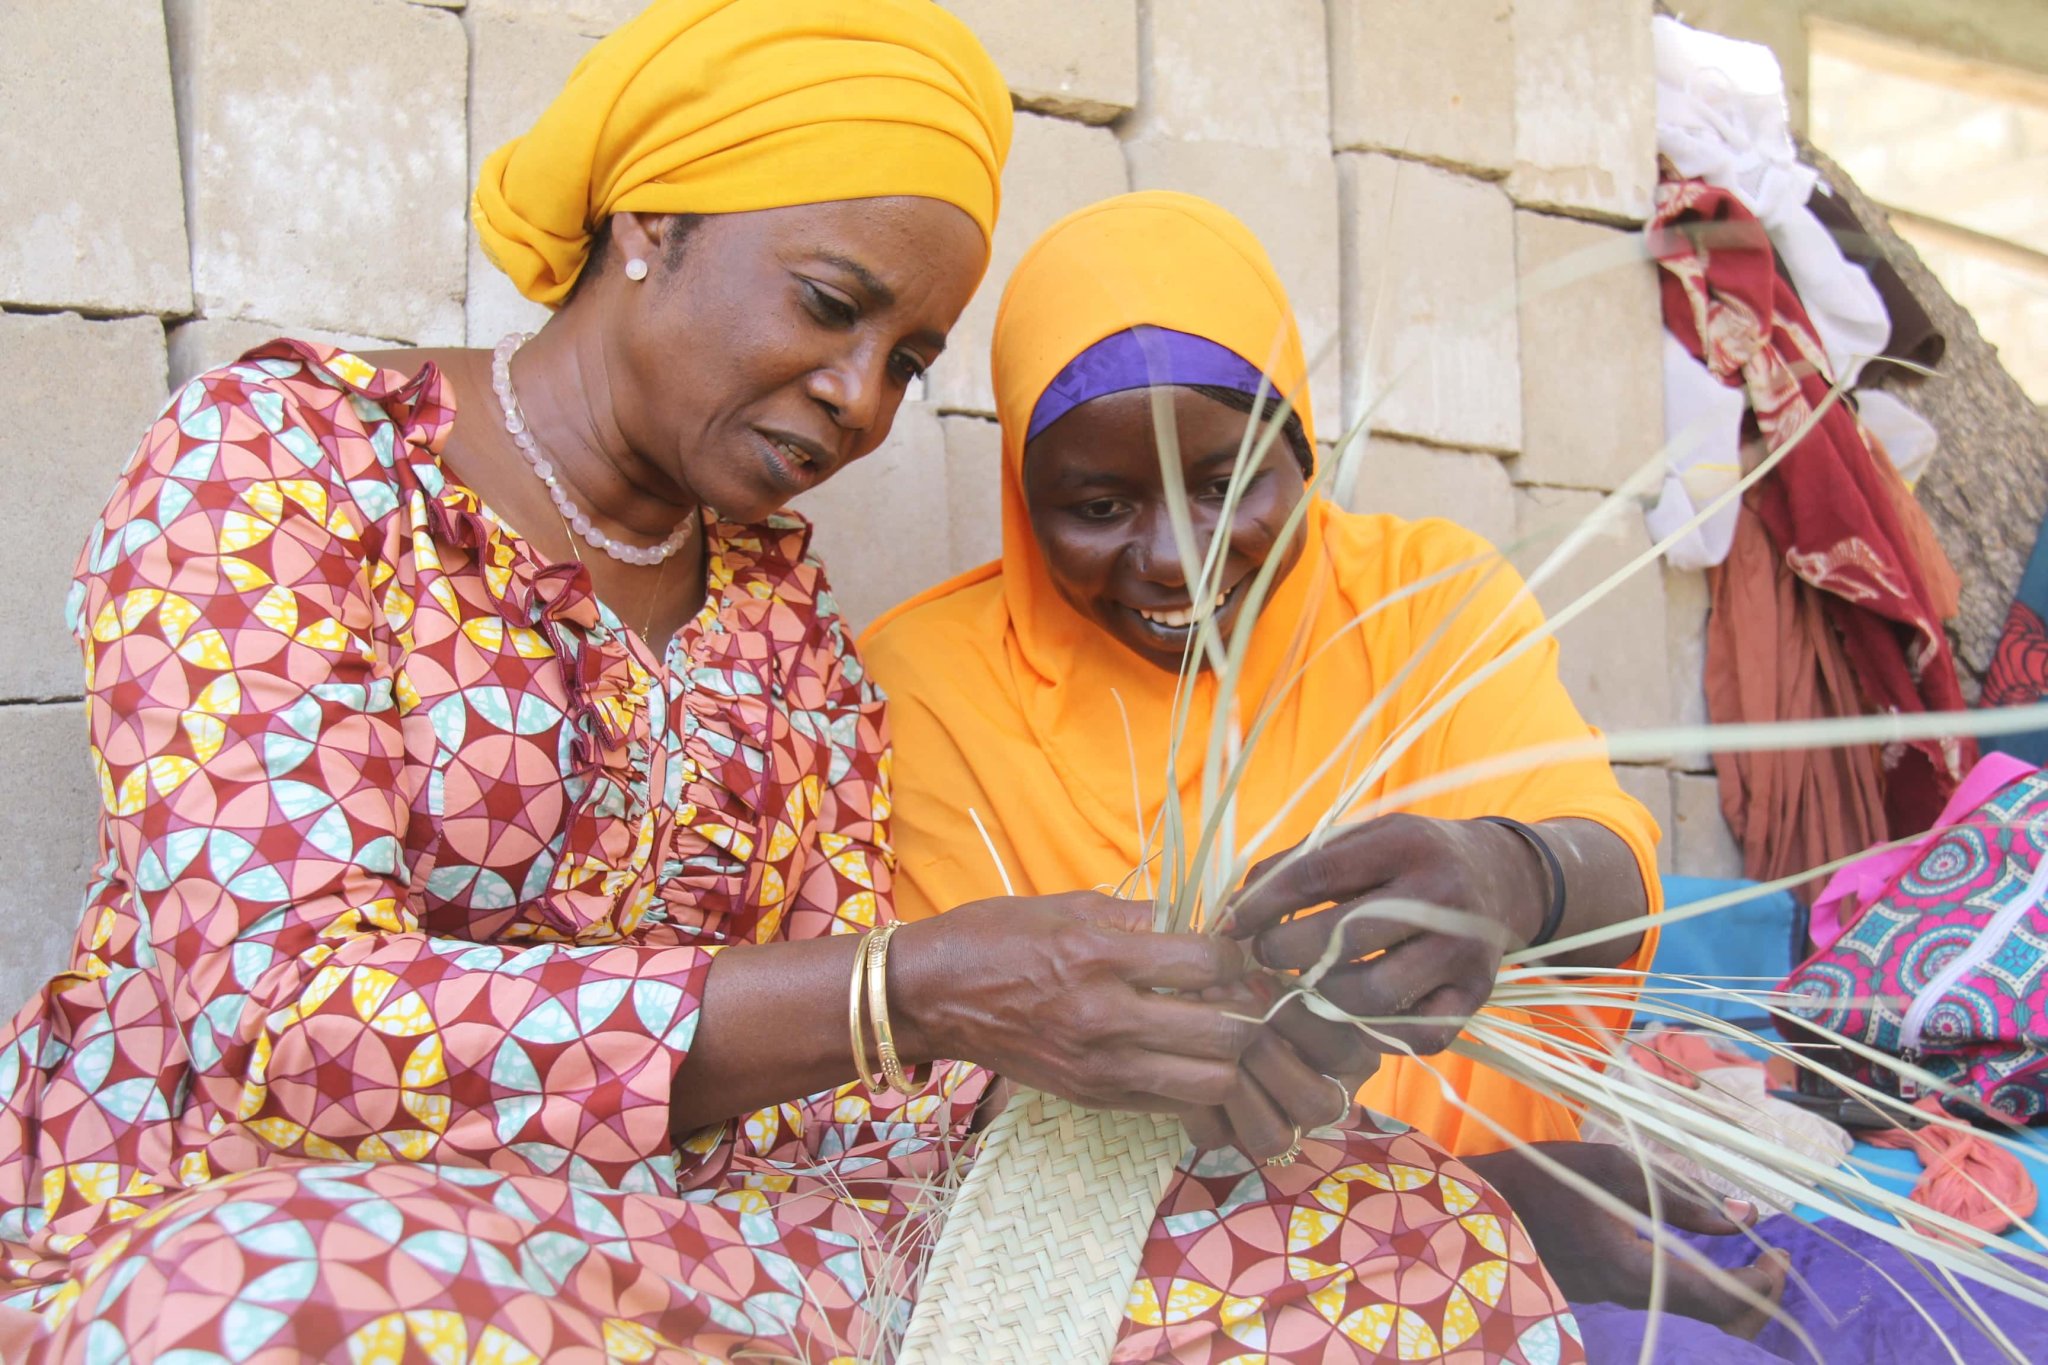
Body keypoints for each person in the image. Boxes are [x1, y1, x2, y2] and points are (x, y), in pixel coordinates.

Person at [0, 7, 1583, 1362]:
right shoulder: (280, 471)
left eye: (906, 357)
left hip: (702, 1245)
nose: (859, 397)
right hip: (287, 1197)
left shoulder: (778, 615)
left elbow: (830, 1089)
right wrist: (912, 988)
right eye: (833, 306)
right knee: (276, 1307)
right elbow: (282, 1024)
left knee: (1393, 1232)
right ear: (649, 224)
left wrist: (1131, 1059)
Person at [863, 189, 1804, 1331]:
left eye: (1226, 484)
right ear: (1022, 500)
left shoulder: (1425, 599)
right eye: (1098, 504)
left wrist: (1505, 875)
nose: (1175, 560)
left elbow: (1608, 871)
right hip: (1101, 1267)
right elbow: (942, 1081)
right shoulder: (922, 679)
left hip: (1474, 1194)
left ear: (1301, 446)